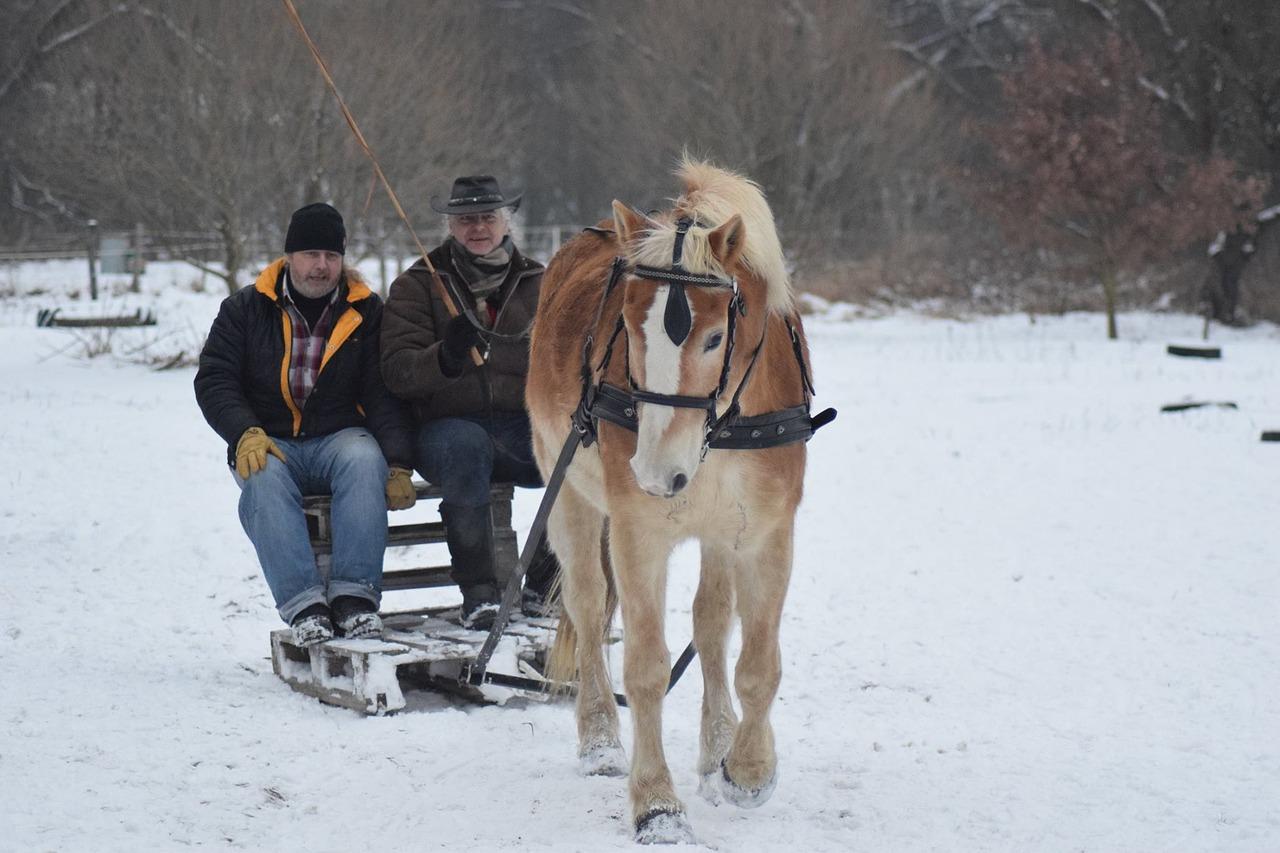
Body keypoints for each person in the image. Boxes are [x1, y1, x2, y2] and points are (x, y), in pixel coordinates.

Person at [195, 203, 417, 647]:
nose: (321, 266)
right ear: (289, 256)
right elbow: (215, 378)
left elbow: (381, 392)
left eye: (331, 256)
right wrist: (243, 431)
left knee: (363, 459)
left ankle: (355, 599)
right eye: (311, 254)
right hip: (267, 438)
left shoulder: (366, 312)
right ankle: (305, 605)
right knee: (262, 477)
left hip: (338, 436)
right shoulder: (244, 309)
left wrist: (396, 461)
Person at [380, 175, 558, 630]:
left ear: (505, 221)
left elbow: (566, 361)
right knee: (464, 448)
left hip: (522, 424)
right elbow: (397, 372)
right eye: (466, 220)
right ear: (450, 226)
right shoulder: (418, 284)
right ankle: (479, 594)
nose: (477, 228)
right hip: (446, 429)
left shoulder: (541, 282)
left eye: (486, 217)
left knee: (579, 454)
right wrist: (446, 356)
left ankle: (545, 583)